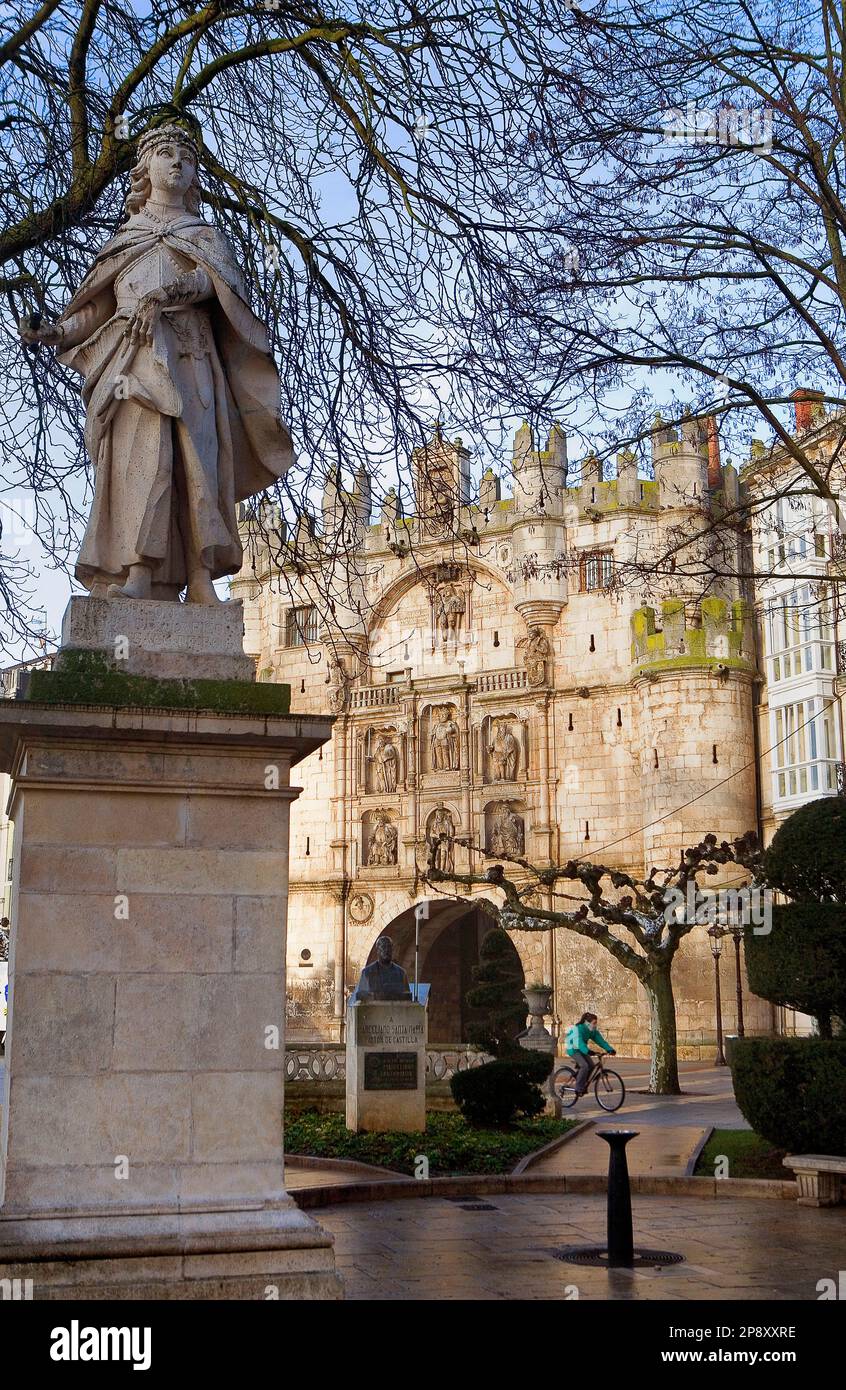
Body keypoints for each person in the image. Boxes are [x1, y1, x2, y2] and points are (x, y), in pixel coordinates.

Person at [565, 1011, 616, 1095]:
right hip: (573, 1049)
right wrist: (588, 1051)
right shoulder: (578, 1029)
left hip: (582, 1049)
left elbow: (601, 1041)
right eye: (594, 1023)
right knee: (584, 1066)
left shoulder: (592, 1031)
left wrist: (610, 1049)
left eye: (596, 1023)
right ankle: (578, 1088)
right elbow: (579, 1042)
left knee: (592, 1066)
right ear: (587, 1023)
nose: (595, 1025)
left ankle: (583, 1082)